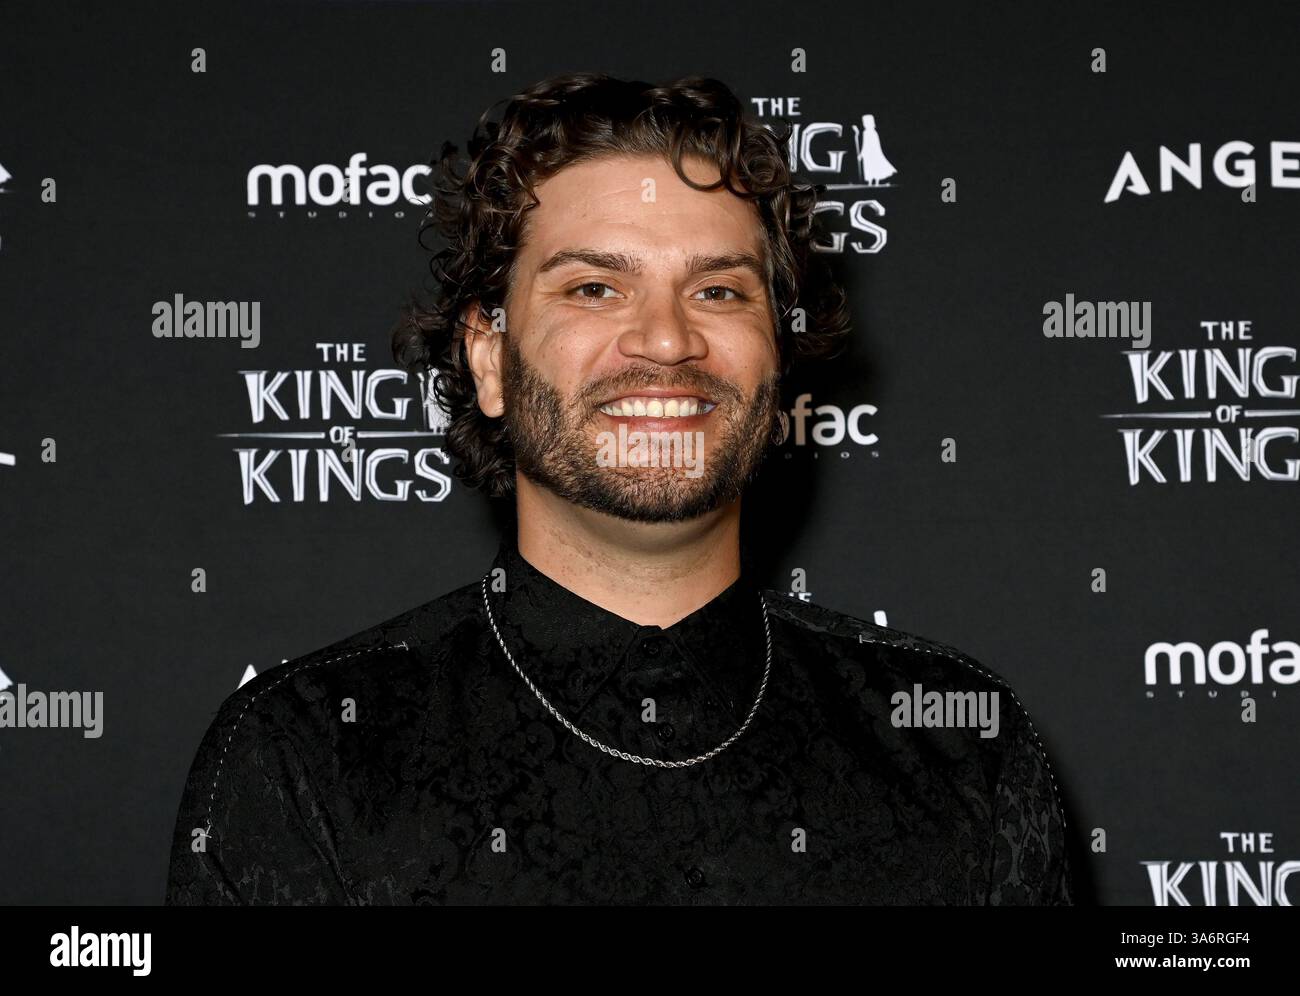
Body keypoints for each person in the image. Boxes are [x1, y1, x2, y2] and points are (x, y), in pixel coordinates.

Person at [165, 71, 1073, 905]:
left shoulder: (959, 743)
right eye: (595, 288)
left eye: (719, 292)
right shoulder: (307, 750)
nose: (668, 341)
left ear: (781, 352)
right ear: (489, 357)